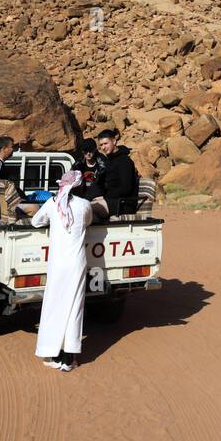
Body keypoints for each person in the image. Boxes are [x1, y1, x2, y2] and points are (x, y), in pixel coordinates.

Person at [31, 168, 92, 373]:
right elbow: (89, 221)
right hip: (76, 264)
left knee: (54, 306)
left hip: (57, 265)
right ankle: (68, 359)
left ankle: (54, 355)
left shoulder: (52, 204)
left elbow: (35, 221)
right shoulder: (85, 205)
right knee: (74, 309)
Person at [86, 128, 139, 217]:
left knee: (86, 208)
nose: (103, 147)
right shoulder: (108, 161)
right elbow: (101, 184)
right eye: (101, 145)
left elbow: (126, 188)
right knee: (85, 206)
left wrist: (105, 197)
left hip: (124, 203)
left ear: (114, 141)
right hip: (112, 200)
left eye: (106, 143)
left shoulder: (125, 161)